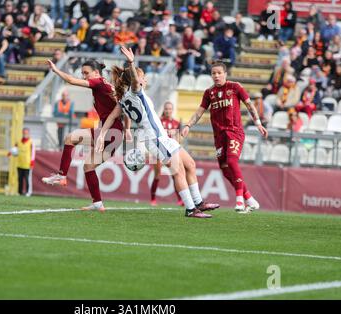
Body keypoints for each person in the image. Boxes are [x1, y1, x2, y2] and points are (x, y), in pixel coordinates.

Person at [98, 46, 220, 218]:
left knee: (190, 164)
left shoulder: (124, 99)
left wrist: (104, 134)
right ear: (136, 80)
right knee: (178, 171)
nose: (144, 78)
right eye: (142, 76)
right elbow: (132, 81)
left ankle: (199, 203)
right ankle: (191, 209)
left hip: (159, 137)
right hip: (154, 137)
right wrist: (132, 63)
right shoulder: (135, 93)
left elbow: (111, 118)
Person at [181, 61, 269, 213]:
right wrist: (188, 125)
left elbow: (249, 105)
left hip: (235, 132)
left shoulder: (235, 87)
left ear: (225, 74)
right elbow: (199, 112)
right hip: (219, 136)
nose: (216, 76)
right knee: (225, 170)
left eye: (219, 73)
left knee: (231, 161)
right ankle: (250, 199)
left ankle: (240, 200)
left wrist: (258, 123)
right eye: (213, 73)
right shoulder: (209, 92)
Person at [42, 59, 124, 212]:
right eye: (83, 74)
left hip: (111, 130)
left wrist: (56, 70)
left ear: (96, 73)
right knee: (88, 166)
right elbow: (122, 107)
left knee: (70, 138)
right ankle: (98, 203)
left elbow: (72, 80)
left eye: (86, 73)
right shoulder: (105, 85)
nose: (84, 76)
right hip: (116, 134)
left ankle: (61, 175)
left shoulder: (98, 82)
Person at [150, 101, 183, 207]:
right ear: (164, 110)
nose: (168, 110)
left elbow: (178, 139)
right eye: (166, 109)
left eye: (170, 109)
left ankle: (179, 200)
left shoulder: (176, 123)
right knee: (157, 175)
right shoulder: (158, 121)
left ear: (172, 110)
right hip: (158, 151)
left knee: (175, 175)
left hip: (171, 152)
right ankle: (153, 199)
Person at [12, 128, 35, 196]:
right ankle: (20, 192)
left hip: (27, 164)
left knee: (27, 179)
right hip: (19, 163)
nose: (25, 134)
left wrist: (32, 161)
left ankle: (28, 192)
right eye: (24, 133)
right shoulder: (19, 141)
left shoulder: (31, 142)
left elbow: (33, 152)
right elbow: (14, 149)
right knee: (20, 178)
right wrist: (10, 153)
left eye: (26, 133)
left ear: (29, 133)